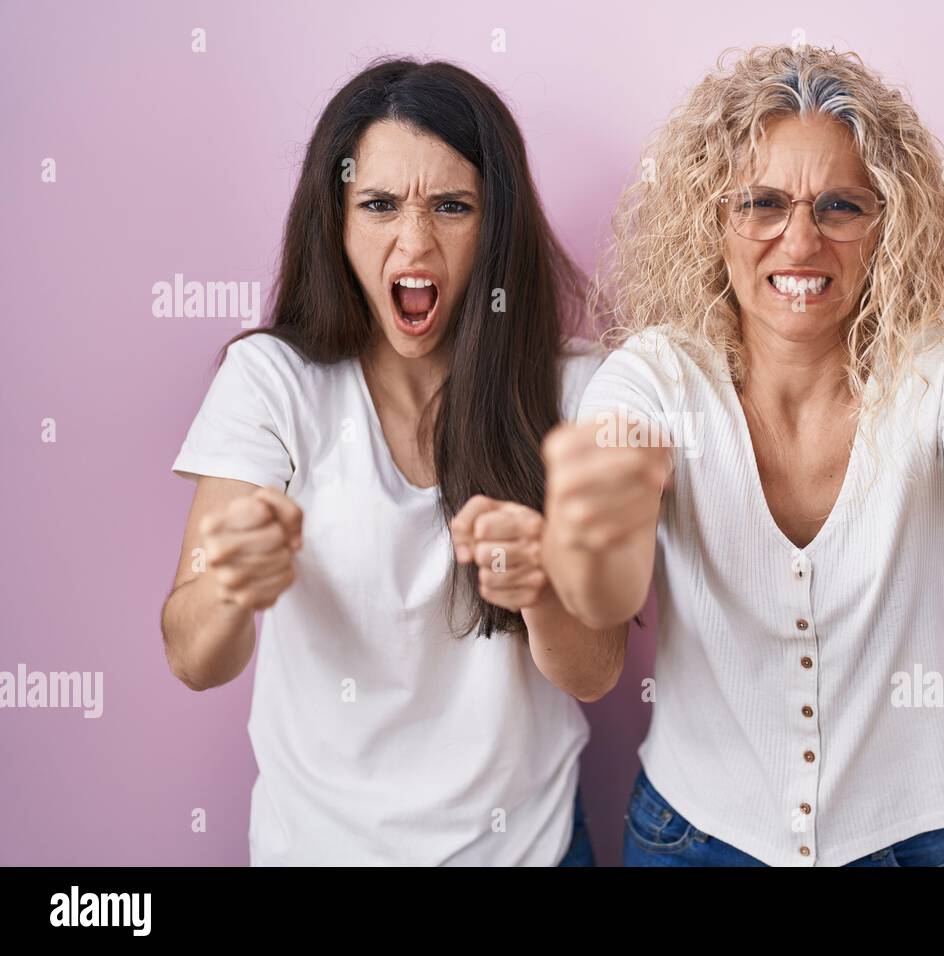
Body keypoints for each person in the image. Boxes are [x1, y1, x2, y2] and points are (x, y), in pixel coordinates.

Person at [540, 45, 944, 867]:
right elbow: (600, 611)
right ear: (712, 220)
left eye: (839, 206)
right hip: (690, 840)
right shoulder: (654, 374)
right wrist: (592, 531)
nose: (800, 239)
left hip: (908, 843)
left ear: (885, 224)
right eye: (760, 202)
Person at [160, 59, 625, 866]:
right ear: (334, 222)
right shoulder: (272, 382)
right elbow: (194, 659)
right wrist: (234, 584)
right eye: (378, 206)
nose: (414, 242)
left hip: (532, 849)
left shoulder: (578, 392)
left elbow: (594, 673)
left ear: (496, 227)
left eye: (452, 206)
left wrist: (542, 587)